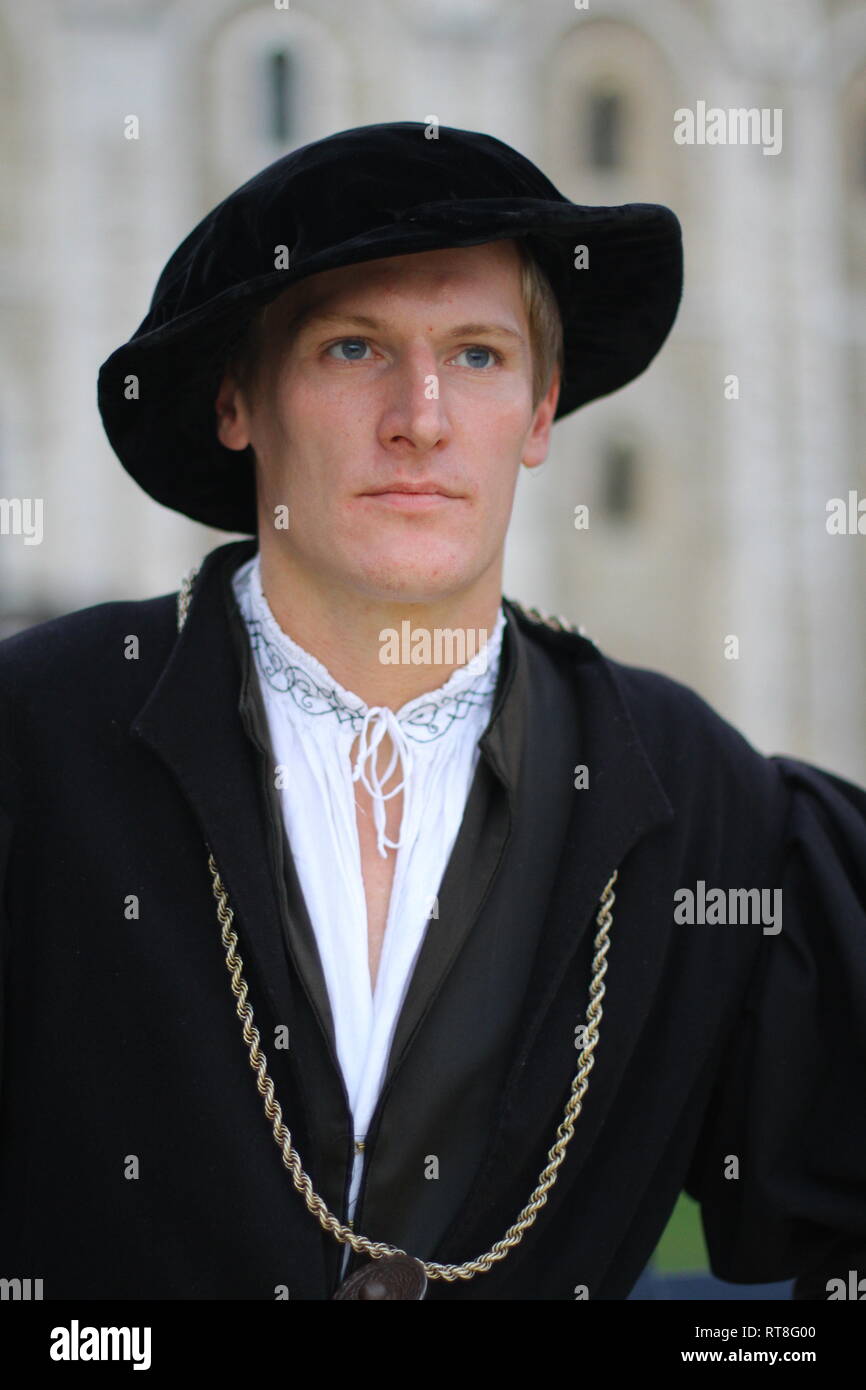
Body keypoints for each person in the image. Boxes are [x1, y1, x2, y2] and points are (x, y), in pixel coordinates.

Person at [0, 121, 864, 1302]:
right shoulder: (35, 738)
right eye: (352, 349)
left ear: (542, 408)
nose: (421, 415)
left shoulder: (699, 801)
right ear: (238, 400)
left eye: (475, 356)